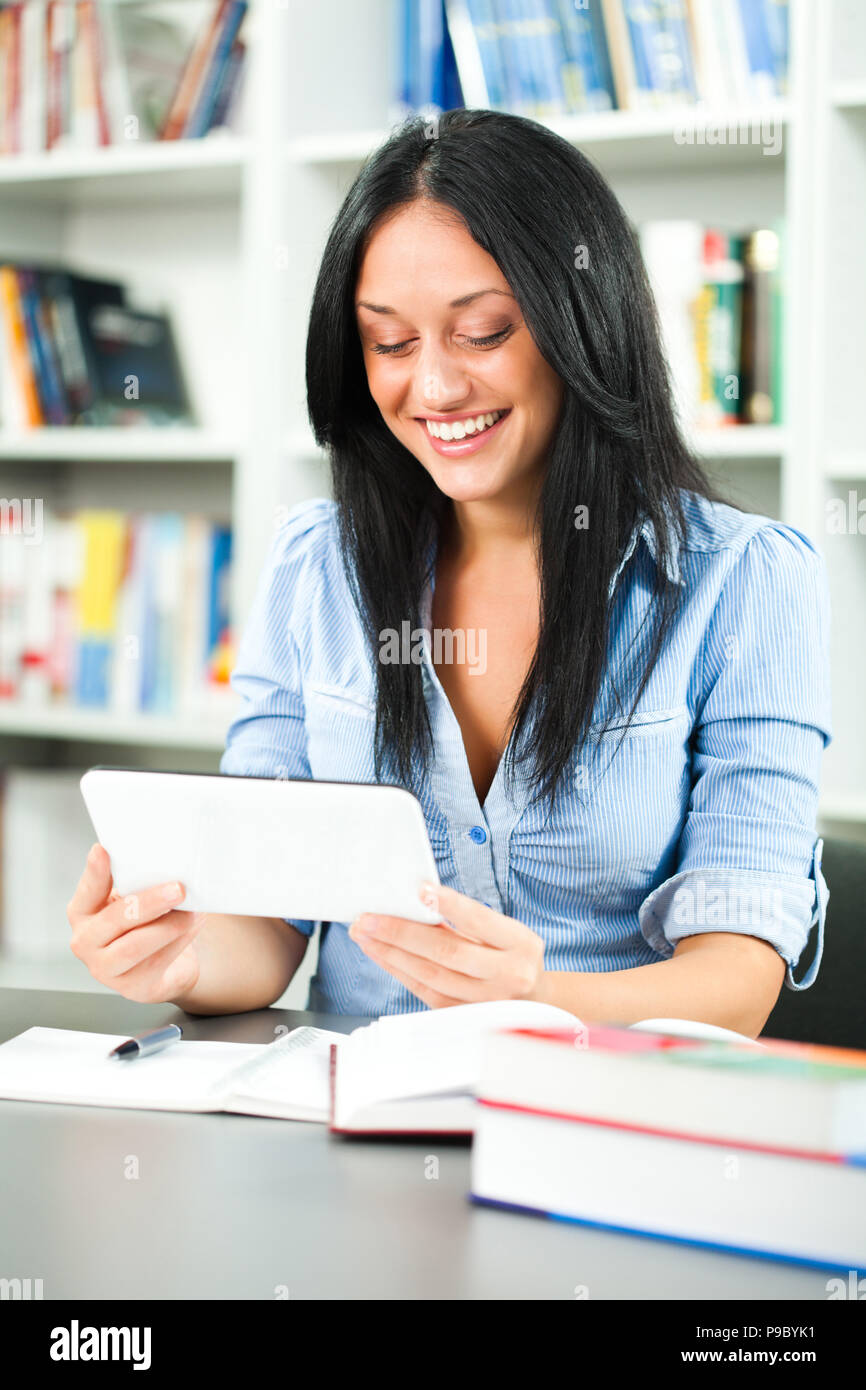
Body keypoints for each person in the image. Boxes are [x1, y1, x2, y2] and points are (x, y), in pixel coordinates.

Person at [67, 110, 831, 1036]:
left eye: (481, 332)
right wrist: (184, 954)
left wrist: (536, 998)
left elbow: (738, 980)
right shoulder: (317, 569)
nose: (432, 389)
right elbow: (267, 923)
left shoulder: (743, 583)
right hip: (351, 1133)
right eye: (390, 344)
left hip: (601, 1125)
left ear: (582, 323)